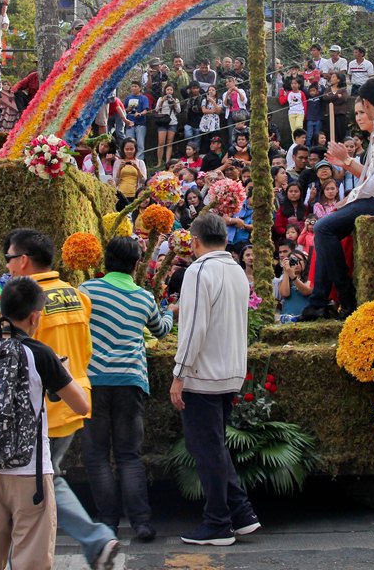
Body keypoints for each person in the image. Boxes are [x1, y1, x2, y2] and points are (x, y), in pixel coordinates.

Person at [0, 230, 119, 570]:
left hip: (40, 409)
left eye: (10, 259)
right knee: (46, 477)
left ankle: (93, 540)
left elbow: (13, 358)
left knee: (35, 484)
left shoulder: (28, 303)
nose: (8, 266)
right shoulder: (76, 294)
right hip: (74, 398)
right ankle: (93, 541)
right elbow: (85, 349)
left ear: (23, 260)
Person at [0, 275, 90, 570]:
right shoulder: (39, 354)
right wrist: (63, 371)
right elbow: (80, 405)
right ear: (35, 316)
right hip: (30, 473)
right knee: (31, 562)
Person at [168, 214, 260, 546]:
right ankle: (241, 512)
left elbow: (193, 328)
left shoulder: (199, 270)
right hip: (229, 371)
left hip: (203, 374)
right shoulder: (236, 270)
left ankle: (218, 522)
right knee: (213, 447)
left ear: (194, 241)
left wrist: (179, 373)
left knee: (205, 449)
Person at [79, 238, 173, 542]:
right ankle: (141, 522)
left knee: (95, 455)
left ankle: (107, 523)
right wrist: (171, 310)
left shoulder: (87, 291)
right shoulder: (143, 298)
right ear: (136, 265)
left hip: (93, 381)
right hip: (130, 380)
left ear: (106, 261)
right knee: (129, 455)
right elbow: (162, 330)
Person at [301, 78, 374, 321]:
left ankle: (346, 297)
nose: (359, 116)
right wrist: (348, 169)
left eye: (361, 110)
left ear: (368, 104)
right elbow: (370, 177)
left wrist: (349, 199)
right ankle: (319, 300)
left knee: (323, 227)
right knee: (324, 229)